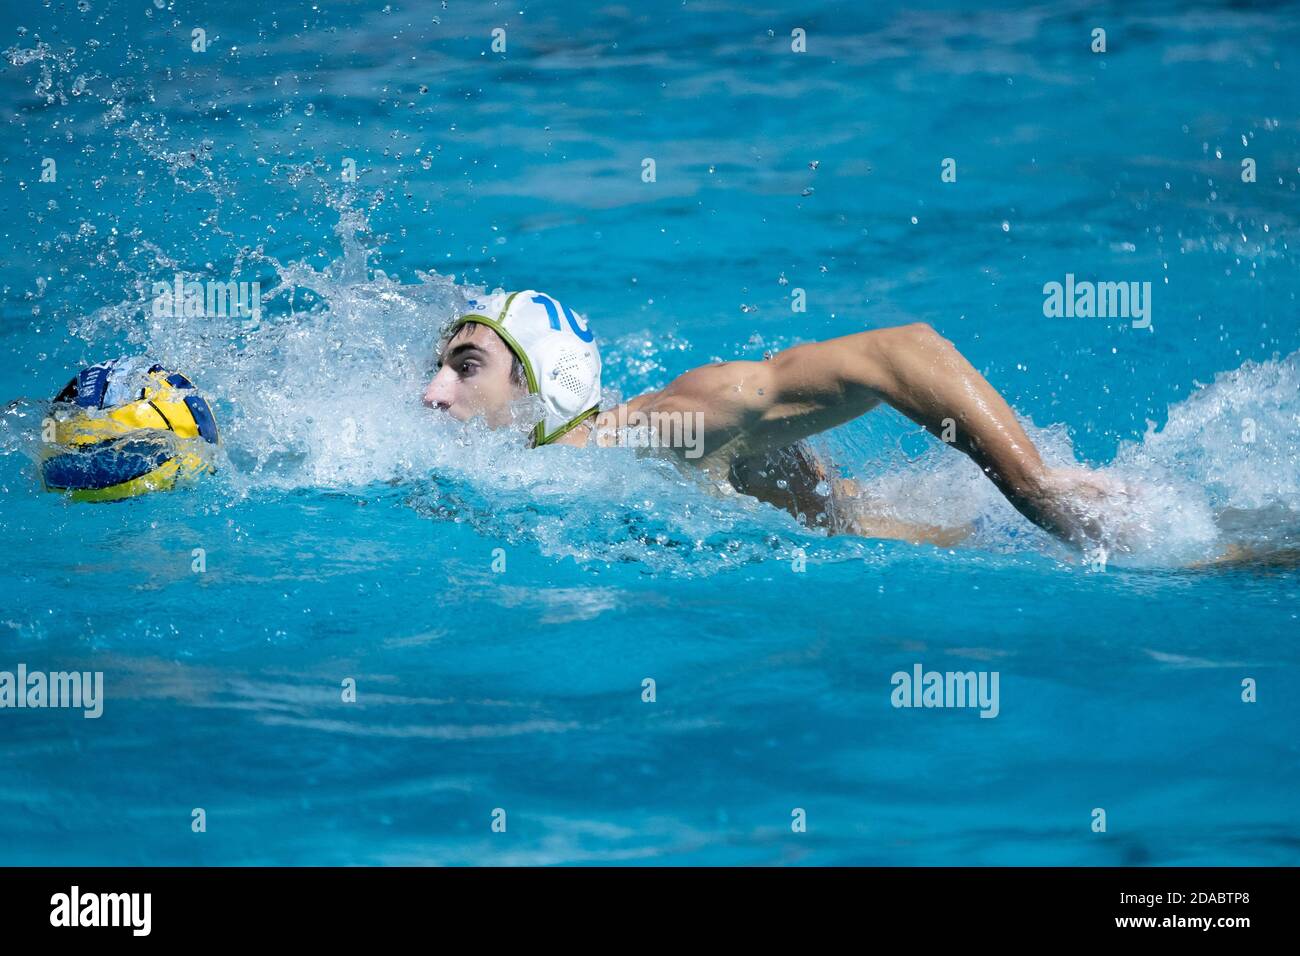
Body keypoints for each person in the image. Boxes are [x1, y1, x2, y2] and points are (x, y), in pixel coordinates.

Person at [423, 289, 1131, 549]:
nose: (433, 393)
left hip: (1000, 541)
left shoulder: (663, 429)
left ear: (548, 383)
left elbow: (902, 350)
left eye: (467, 365)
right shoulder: (531, 479)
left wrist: (1037, 490)